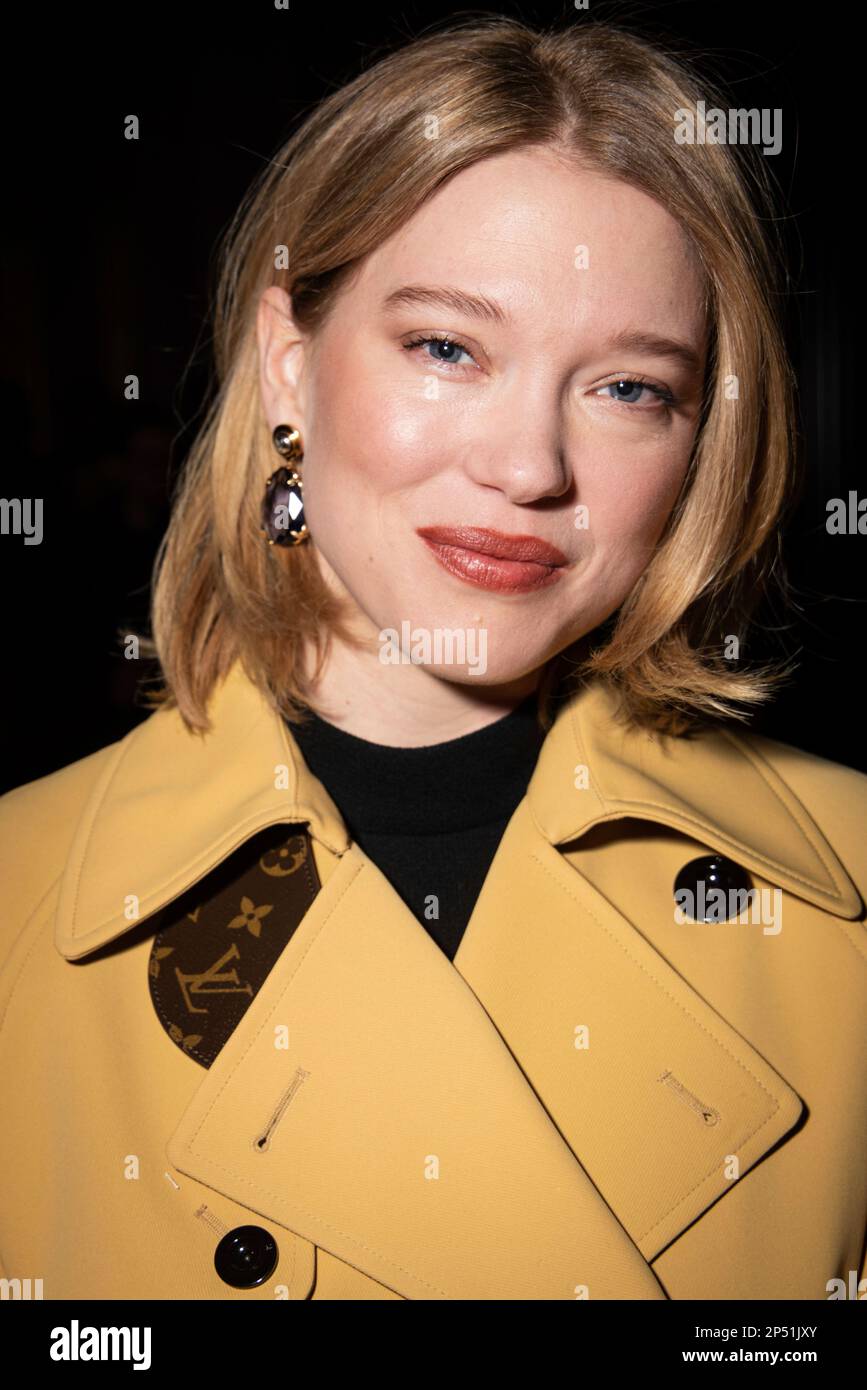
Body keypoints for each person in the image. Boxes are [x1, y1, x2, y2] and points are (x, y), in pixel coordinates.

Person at [1, 16, 865, 1303]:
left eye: (630, 388)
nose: (528, 466)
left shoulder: (847, 899)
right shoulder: (23, 901)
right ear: (290, 367)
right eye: (448, 348)